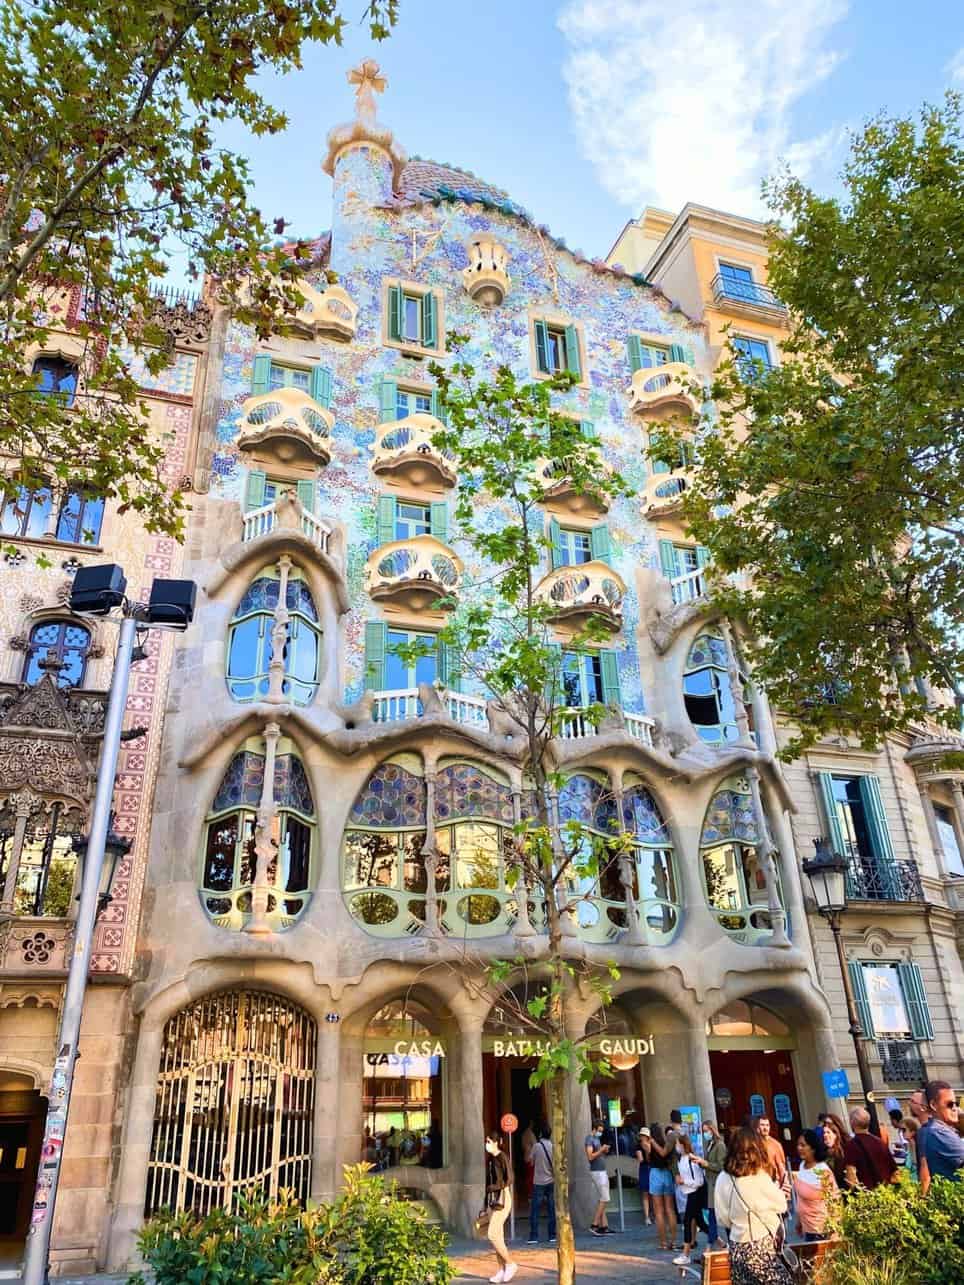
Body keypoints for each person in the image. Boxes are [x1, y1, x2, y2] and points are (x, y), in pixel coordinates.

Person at [715, 1128, 791, 1285]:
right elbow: (781, 1205)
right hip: (760, 1244)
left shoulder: (722, 1177)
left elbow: (722, 1218)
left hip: (736, 1246)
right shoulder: (758, 1176)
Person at [792, 1129, 838, 1241]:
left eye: (803, 1145)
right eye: (798, 1145)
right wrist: (799, 1221)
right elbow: (801, 1199)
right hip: (807, 1229)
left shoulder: (823, 1170)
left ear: (813, 1148)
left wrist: (835, 1231)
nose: (799, 1148)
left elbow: (834, 1199)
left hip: (822, 1230)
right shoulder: (802, 1166)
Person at [484, 1132, 517, 1284]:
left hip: (503, 1198)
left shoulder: (502, 1157)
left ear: (496, 1142)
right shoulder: (490, 1159)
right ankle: (501, 1269)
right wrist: (485, 1204)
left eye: (489, 1141)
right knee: (499, 1237)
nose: (487, 1144)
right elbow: (487, 1182)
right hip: (493, 1200)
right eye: (486, 1141)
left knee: (492, 1235)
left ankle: (510, 1263)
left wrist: (495, 1186)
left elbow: (510, 1178)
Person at [918, 1080, 964, 1189]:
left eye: (956, 1103)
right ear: (933, 1105)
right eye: (949, 1104)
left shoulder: (927, 1130)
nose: (955, 1108)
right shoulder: (939, 1132)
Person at [673, 1134, 709, 1267]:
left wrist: (684, 1181)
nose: (676, 1147)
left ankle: (686, 1253)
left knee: (687, 1221)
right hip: (689, 1192)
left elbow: (698, 1181)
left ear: (683, 1145)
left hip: (695, 1193)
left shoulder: (691, 1159)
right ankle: (722, 1243)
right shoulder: (680, 1159)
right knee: (700, 1222)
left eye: (678, 1144)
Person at [844, 1106, 898, 1190]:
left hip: (866, 1195)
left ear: (852, 1123)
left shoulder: (851, 1145)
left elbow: (851, 1175)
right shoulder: (880, 1142)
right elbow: (895, 1172)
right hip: (884, 1193)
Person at [648, 1123, 678, 1252]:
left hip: (655, 1173)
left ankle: (663, 1242)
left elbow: (648, 1157)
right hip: (667, 1173)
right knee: (670, 1209)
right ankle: (674, 1241)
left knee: (658, 1211)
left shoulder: (651, 1144)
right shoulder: (666, 1143)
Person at [526, 1124, 556, 1245]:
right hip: (551, 1181)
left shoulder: (537, 1146)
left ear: (540, 1134)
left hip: (538, 1181)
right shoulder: (553, 1146)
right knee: (551, 1209)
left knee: (535, 1210)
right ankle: (552, 1235)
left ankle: (534, 1236)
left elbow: (530, 1161)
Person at [585, 1117, 614, 1236]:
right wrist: (601, 1150)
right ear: (594, 1129)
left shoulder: (596, 1139)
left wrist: (604, 1150)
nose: (600, 1132)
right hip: (597, 1172)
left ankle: (604, 1226)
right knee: (605, 1198)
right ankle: (594, 1224)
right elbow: (590, 1156)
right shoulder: (589, 1139)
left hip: (601, 1170)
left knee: (602, 1198)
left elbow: (597, 1153)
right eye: (599, 1130)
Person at [702, 1120, 728, 1248]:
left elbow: (721, 1166)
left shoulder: (720, 1145)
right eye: (704, 1131)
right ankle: (714, 1244)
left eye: (706, 1130)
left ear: (712, 1130)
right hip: (711, 1183)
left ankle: (710, 1246)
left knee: (716, 1216)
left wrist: (706, 1164)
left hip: (718, 1185)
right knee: (712, 1216)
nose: (705, 1133)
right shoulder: (709, 1144)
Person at [752, 1116, 788, 1193]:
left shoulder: (776, 1144)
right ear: (757, 1127)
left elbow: (781, 1167)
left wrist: (785, 1185)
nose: (765, 1128)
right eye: (762, 1125)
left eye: (767, 1125)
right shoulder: (753, 1144)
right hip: (757, 1182)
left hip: (773, 1183)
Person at [819, 1115, 849, 1192]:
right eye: (824, 1133)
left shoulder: (844, 1150)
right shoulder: (823, 1152)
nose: (825, 1135)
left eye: (828, 1132)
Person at [635, 1126, 653, 1224]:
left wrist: (648, 1150)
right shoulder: (638, 1146)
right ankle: (647, 1217)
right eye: (642, 1135)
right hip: (644, 1169)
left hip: (652, 1169)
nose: (643, 1137)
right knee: (645, 1193)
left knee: (654, 1193)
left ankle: (653, 1214)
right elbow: (641, 1160)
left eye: (644, 1135)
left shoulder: (651, 1144)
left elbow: (652, 1159)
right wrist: (645, 1150)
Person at [902, 1116, 921, 1181]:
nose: (902, 1133)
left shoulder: (919, 1145)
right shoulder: (909, 1145)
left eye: (904, 1130)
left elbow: (916, 1165)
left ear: (913, 1131)